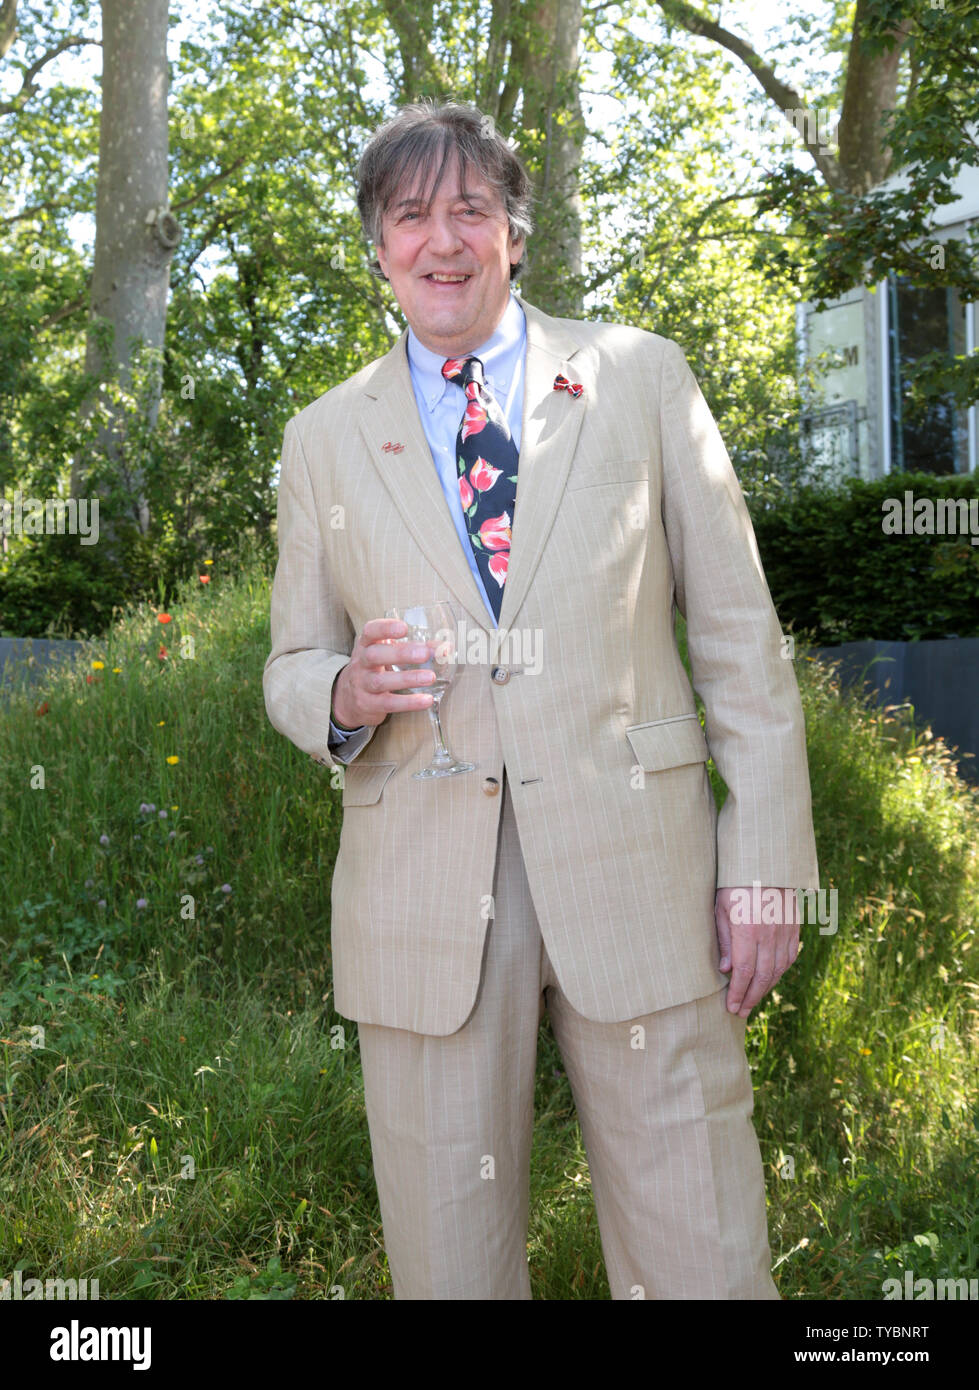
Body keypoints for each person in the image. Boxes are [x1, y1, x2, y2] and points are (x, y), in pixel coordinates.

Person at [263, 99, 819, 1300]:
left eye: (470, 208)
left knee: (702, 1250)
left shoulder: (640, 377)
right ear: (378, 246)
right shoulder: (319, 440)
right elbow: (289, 664)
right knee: (449, 1265)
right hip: (421, 893)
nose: (443, 240)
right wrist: (345, 690)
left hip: (641, 871)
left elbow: (740, 645)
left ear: (514, 230)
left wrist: (765, 862)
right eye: (412, 215)